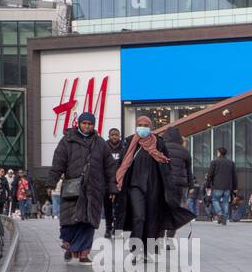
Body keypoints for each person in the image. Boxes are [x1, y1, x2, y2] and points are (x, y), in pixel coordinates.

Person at [115, 115, 195, 259]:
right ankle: (135, 250)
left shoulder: (159, 143)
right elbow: (121, 163)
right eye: (140, 124)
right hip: (134, 186)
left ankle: (147, 251)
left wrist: (168, 188)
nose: (143, 128)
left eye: (146, 125)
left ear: (151, 127)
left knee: (152, 218)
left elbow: (167, 166)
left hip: (155, 186)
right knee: (139, 217)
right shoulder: (129, 142)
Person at [47, 109, 107, 262]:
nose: (87, 126)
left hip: (93, 189)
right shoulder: (67, 140)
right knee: (70, 220)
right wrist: (51, 182)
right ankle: (70, 245)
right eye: (84, 123)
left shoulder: (100, 143)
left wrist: (112, 187)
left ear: (94, 125)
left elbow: (110, 167)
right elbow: (58, 163)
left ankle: (84, 254)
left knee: (88, 221)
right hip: (72, 188)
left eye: (90, 124)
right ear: (79, 123)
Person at [103, 128, 125, 238]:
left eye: (116, 135)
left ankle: (117, 228)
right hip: (106, 182)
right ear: (109, 135)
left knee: (119, 207)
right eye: (112, 135)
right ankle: (108, 227)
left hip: (120, 182)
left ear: (119, 136)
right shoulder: (104, 147)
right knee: (107, 207)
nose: (114, 137)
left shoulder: (124, 148)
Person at [205, 146, 236, 226]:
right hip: (227, 186)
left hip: (217, 186)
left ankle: (219, 212)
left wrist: (207, 184)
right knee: (225, 202)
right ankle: (224, 219)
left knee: (215, 200)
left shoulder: (214, 162)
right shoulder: (231, 163)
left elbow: (210, 175)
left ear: (219, 152)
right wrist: (235, 187)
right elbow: (234, 176)